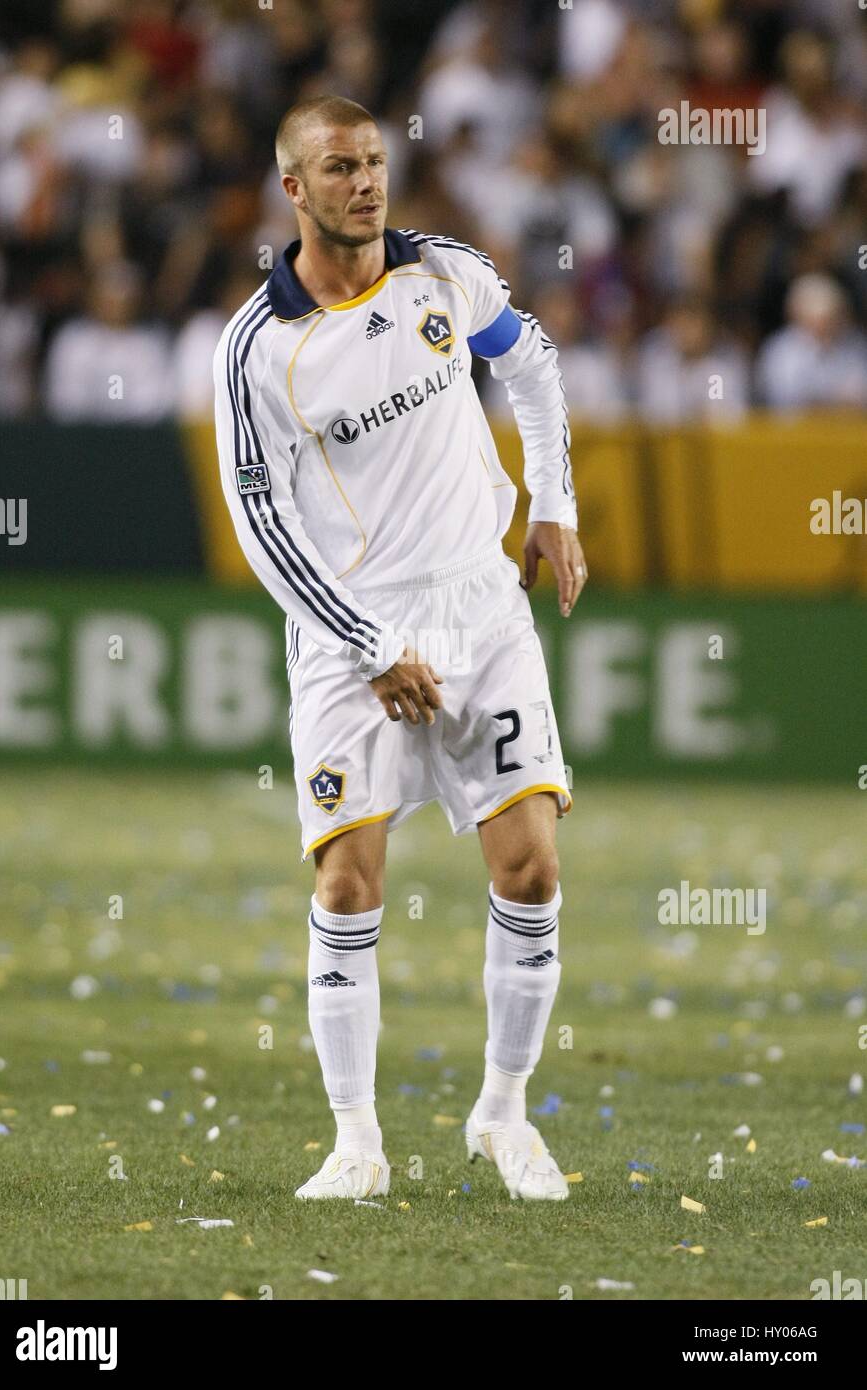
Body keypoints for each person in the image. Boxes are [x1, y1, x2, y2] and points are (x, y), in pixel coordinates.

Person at [213, 96, 587, 1202]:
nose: (365, 182)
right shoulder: (259, 346)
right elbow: (261, 525)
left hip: (480, 602)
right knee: (347, 881)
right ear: (294, 188)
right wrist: (370, 644)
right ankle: (354, 1142)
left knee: (531, 864)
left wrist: (552, 504)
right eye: (339, 167)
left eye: (375, 162)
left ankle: (503, 1113)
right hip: (348, 634)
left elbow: (533, 364)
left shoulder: (444, 275)